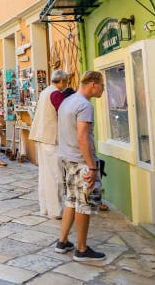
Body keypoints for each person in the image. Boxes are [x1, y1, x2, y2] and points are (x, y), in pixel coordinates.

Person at [56, 71, 106, 262]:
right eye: (102, 85)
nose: (103, 89)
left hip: (67, 159)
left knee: (71, 200)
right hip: (81, 161)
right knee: (84, 204)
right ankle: (82, 249)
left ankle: (62, 241)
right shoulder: (84, 105)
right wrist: (92, 167)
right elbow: (83, 137)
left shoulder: (67, 101)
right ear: (93, 84)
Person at [29, 69, 69, 219]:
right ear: (63, 81)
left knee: (45, 175)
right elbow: (64, 114)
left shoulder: (45, 91)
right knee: (55, 176)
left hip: (42, 137)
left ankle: (45, 207)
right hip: (51, 139)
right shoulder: (56, 94)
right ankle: (55, 210)